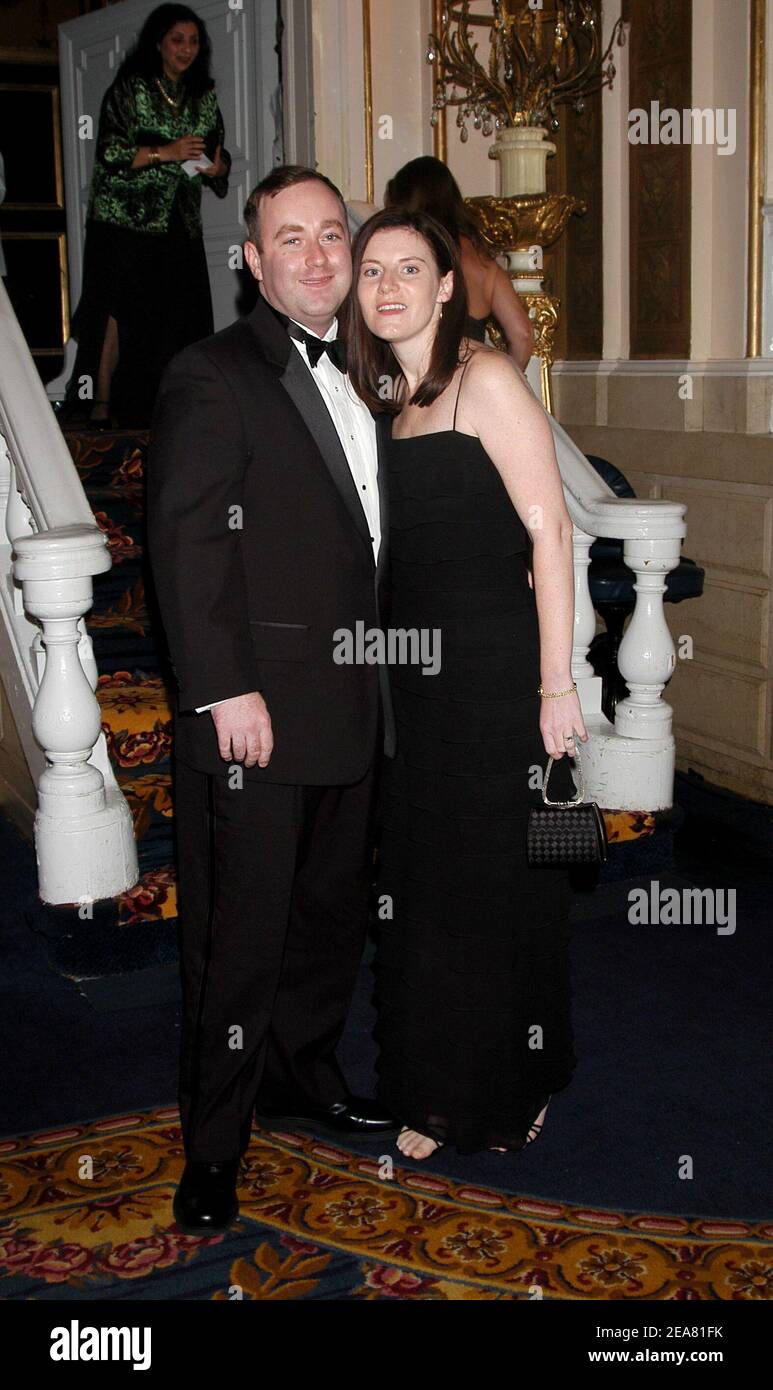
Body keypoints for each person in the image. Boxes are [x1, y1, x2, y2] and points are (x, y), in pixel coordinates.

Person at [146, 165, 397, 1237]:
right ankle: (212, 1147)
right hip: (255, 713)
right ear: (251, 261)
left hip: (358, 710)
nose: (314, 256)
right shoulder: (211, 373)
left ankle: (302, 1072)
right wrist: (220, 688)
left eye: (330, 234)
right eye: (287, 239)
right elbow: (187, 540)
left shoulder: (374, 376)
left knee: (328, 923)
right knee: (237, 940)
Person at [347, 207, 588, 1160]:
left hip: (493, 677)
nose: (391, 285)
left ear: (449, 285)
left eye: (412, 267)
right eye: (373, 270)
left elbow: (551, 532)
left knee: (498, 886)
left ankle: (511, 1079)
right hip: (413, 686)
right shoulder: (383, 401)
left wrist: (554, 687)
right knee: (422, 885)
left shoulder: (484, 379)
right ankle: (432, 1081)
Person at [62, 4, 230, 428]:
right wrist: (166, 152)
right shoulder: (130, 90)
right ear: (158, 43)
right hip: (124, 220)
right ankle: (102, 403)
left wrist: (216, 167)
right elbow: (112, 154)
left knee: (179, 315)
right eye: (178, 40)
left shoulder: (203, 96)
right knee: (118, 312)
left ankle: (173, 408)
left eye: (193, 41)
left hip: (178, 222)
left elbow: (217, 153)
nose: (186, 50)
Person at [383, 156, 535, 369]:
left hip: (417, 386)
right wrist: (502, 386)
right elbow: (523, 335)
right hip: (468, 388)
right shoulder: (483, 263)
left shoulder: (410, 255)